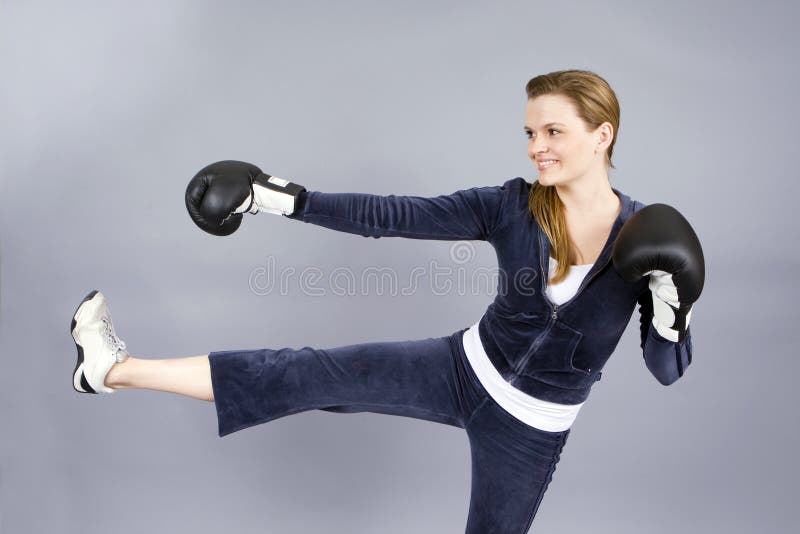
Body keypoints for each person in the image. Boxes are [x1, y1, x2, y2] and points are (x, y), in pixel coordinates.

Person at [70, 69, 702, 533]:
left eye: (554, 131)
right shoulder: (512, 203)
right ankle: (111, 370)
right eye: (531, 131)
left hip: (532, 428)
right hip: (460, 369)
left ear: (602, 136)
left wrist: (673, 309)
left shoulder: (648, 237)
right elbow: (395, 215)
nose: (537, 146)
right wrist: (284, 200)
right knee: (297, 371)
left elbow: (665, 370)